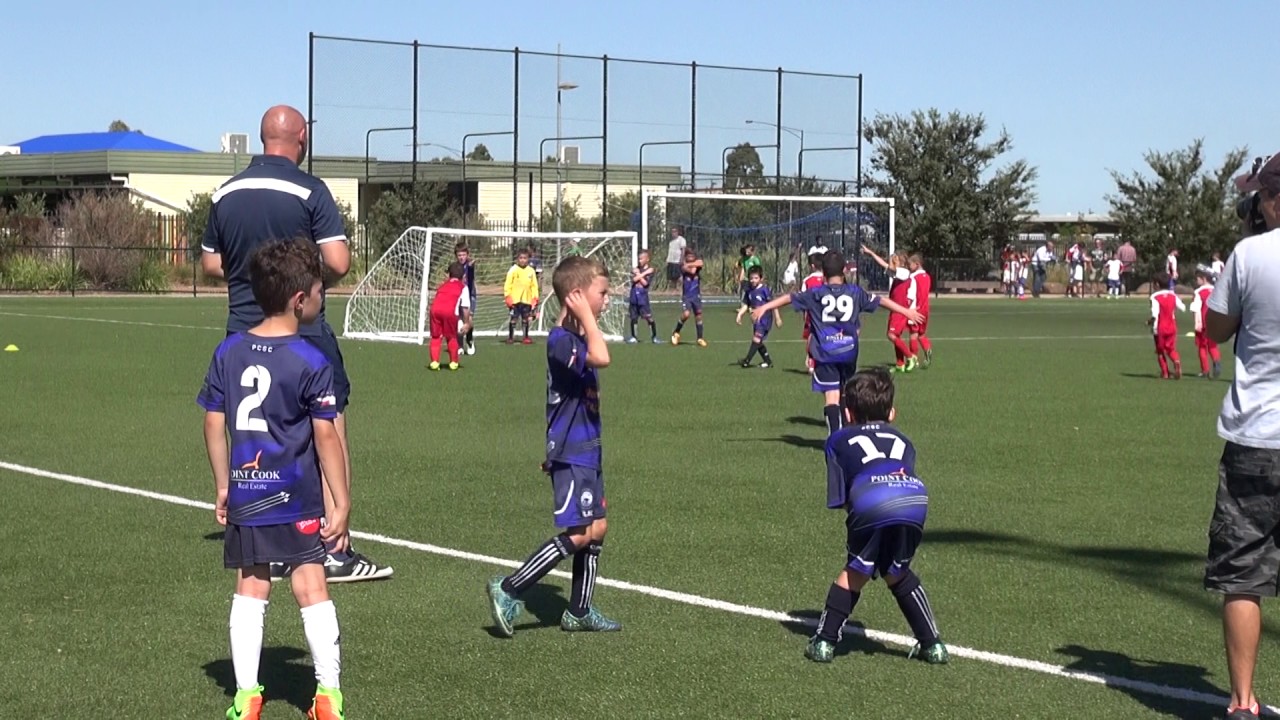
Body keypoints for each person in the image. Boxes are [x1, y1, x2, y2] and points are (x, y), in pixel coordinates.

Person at [200, 104, 391, 583]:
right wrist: (294, 276)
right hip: (301, 333)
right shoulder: (309, 189)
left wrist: (255, 274)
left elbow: (209, 263)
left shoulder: (225, 191)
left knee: (259, 437)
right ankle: (333, 547)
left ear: (262, 137)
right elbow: (340, 261)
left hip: (242, 330)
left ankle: (270, 541)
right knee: (327, 430)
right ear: (301, 137)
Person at [198, 238, 350, 720]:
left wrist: (224, 484)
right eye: (319, 289)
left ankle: (246, 699)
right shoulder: (311, 360)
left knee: (251, 588)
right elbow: (326, 436)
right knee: (312, 587)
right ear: (299, 299)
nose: (322, 296)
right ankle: (327, 698)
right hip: (297, 499)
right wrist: (340, 500)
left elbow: (212, 422)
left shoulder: (229, 351)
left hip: (248, 493)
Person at [486, 254, 621, 636]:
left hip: (587, 449)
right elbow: (602, 356)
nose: (607, 300)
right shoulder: (561, 341)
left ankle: (579, 610)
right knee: (579, 533)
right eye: (602, 293)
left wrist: (585, 317)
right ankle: (509, 588)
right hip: (573, 453)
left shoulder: (573, 335)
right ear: (577, 296)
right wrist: (587, 317)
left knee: (598, 528)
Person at [1204, 153, 1280, 719]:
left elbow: (1216, 326)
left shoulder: (1250, 254)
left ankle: (1243, 702)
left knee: (1244, 575)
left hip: (1258, 436)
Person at [804, 368, 949, 666]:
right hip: (914, 497)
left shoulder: (837, 441)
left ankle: (824, 641)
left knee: (856, 570)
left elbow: (841, 497)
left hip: (871, 498)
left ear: (848, 413)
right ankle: (933, 644)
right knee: (897, 571)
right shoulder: (906, 441)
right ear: (892, 413)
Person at [752, 251, 922, 434]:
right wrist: (907, 312)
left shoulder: (816, 293)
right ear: (844, 271)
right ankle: (851, 431)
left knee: (831, 397)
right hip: (848, 351)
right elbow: (881, 301)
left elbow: (789, 298)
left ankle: (835, 436)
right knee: (846, 393)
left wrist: (765, 307)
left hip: (825, 353)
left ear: (823, 273)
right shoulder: (855, 292)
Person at [861, 246, 916, 372]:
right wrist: (871, 253)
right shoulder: (898, 272)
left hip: (901, 310)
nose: (893, 259)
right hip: (895, 309)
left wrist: (892, 261)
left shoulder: (904, 272)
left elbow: (890, 267)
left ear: (901, 260)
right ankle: (900, 364)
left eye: (895, 257)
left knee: (891, 335)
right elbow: (884, 265)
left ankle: (910, 357)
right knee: (895, 336)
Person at [428, 261, 473, 371]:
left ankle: (434, 362)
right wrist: (467, 323)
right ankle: (453, 362)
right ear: (463, 276)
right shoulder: (463, 287)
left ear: (449, 275)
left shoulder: (442, 285)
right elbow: (465, 307)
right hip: (449, 312)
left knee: (435, 337)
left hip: (435, 310)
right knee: (451, 337)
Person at [735, 265, 782, 368]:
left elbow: (773, 303)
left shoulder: (764, 290)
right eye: (751, 278)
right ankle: (768, 361)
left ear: (761, 278)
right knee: (758, 341)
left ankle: (747, 360)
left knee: (757, 338)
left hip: (765, 319)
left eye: (756, 278)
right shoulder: (748, 290)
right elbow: (746, 305)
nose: (753, 280)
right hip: (756, 319)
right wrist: (740, 314)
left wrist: (777, 318)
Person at [1147, 271, 1185, 380]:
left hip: (1160, 327)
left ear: (1157, 284)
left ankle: (1165, 373)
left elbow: (1155, 314)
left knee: (1160, 351)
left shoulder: (1154, 296)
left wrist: (1149, 322)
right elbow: (1182, 308)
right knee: (1171, 349)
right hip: (1172, 326)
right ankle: (1176, 362)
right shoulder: (1173, 295)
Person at [1189, 268, 1222, 379]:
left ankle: (1205, 370)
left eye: (1197, 278)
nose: (1196, 281)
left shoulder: (1198, 292)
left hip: (1203, 323)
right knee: (1213, 345)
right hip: (1215, 322)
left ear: (1203, 279)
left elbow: (1196, 308)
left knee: (1202, 346)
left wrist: (1197, 322)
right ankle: (1216, 361)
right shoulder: (1217, 290)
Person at [670, 249, 707, 347]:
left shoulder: (695, 265)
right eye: (688, 256)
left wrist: (691, 264)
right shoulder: (683, 267)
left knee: (698, 316)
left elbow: (701, 263)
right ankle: (676, 332)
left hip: (696, 296)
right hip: (687, 296)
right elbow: (691, 270)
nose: (690, 257)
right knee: (686, 314)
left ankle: (700, 338)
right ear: (685, 257)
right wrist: (690, 265)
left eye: (692, 256)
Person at [504, 249, 540, 345]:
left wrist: (535, 297)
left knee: (525, 318)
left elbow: (534, 286)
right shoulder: (513, 270)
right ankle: (511, 337)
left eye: (525, 258)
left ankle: (526, 337)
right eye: (521, 258)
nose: (523, 260)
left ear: (528, 259)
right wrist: (507, 296)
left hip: (526, 300)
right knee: (513, 319)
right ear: (517, 259)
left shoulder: (531, 271)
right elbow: (508, 284)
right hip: (514, 300)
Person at [907, 254, 933, 368]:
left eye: (910, 265)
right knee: (921, 334)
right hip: (925, 309)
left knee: (913, 335)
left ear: (917, 264)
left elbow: (911, 295)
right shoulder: (927, 276)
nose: (909, 267)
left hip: (915, 310)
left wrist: (906, 306)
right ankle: (928, 349)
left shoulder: (913, 278)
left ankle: (914, 359)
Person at [627, 250, 659, 344]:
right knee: (634, 317)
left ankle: (654, 336)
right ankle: (634, 337)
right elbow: (634, 280)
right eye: (638, 259)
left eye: (641, 258)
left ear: (647, 259)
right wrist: (640, 274)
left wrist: (640, 274)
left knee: (648, 317)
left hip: (642, 298)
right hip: (634, 296)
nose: (639, 260)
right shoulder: (636, 269)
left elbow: (645, 283)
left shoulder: (650, 271)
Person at [455, 242, 478, 355]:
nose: (461, 257)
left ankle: (469, 340)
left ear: (467, 255)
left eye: (463, 255)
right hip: (459, 296)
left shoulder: (470, 265)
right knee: (459, 321)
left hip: (470, 295)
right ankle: (459, 346)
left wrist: (471, 267)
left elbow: (470, 274)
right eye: (459, 255)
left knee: (468, 320)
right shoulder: (454, 267)